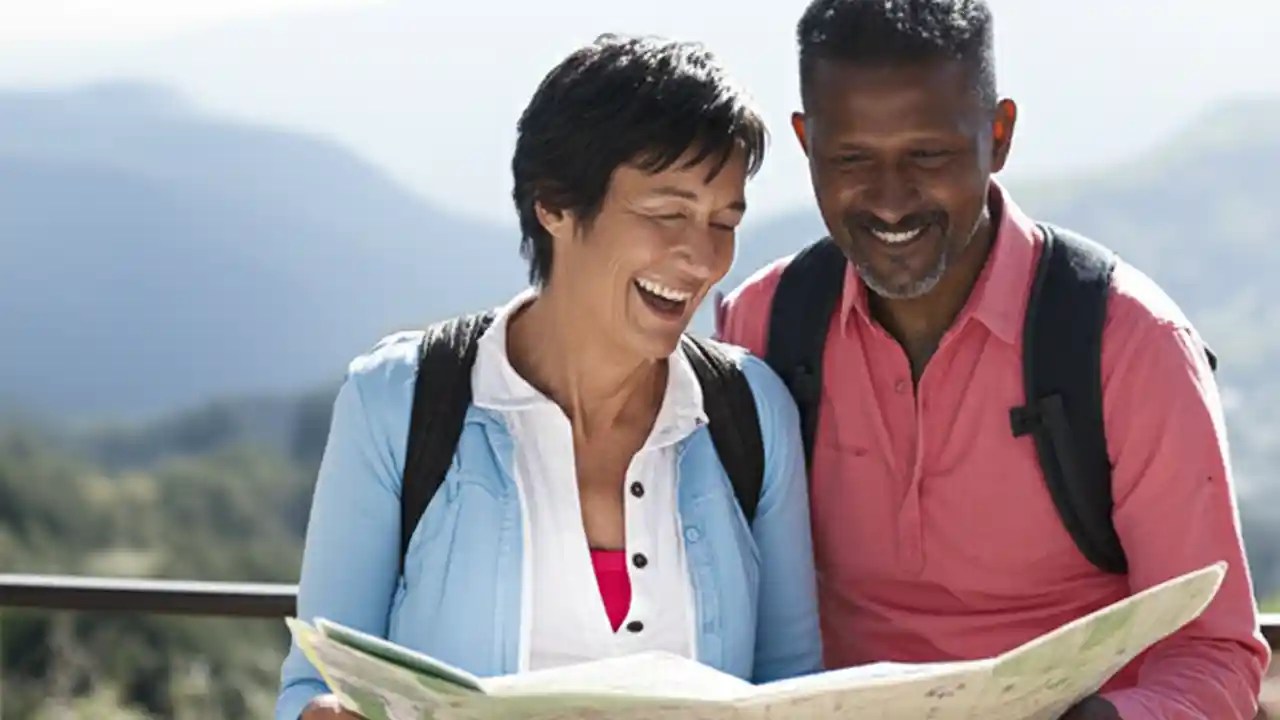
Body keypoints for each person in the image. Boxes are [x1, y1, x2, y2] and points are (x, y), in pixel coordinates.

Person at [716, 1, 1271, 718]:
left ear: (999, 135)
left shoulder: (1129, 343)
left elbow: (1213, 653)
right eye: (852, 158)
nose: (889, 200)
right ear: (806, 142)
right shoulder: (763, 324)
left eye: (929, 156)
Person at [276, 34, 823, 720]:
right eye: (667, 213)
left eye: (724, 220)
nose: (703, 257)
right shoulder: (399, 402)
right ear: (555, 204)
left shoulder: (753, 414)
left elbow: (792, 688)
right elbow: (313, 684)